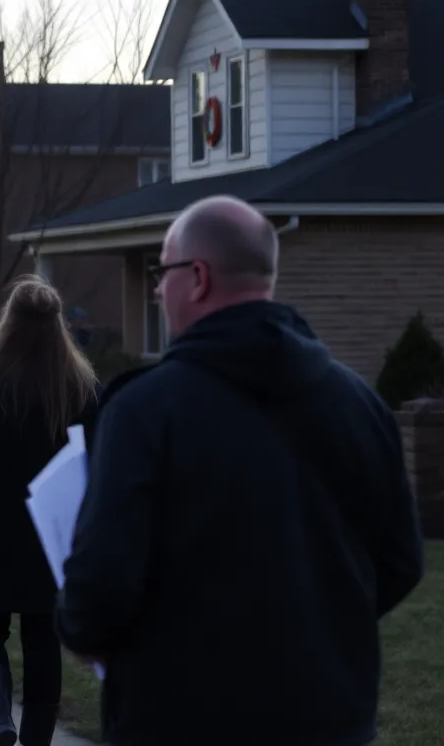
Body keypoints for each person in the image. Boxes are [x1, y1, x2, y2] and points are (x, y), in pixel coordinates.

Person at [56, 195, 425, 746]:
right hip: (330, 719)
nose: (157, 289)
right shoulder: (360, 404)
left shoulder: (147, 409)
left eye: (164, 271)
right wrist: (318, 626)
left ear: (198, 277)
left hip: (178, 719)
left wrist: (84, 628)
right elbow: (401, 560)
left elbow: (102, 584)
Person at [0, 276, 98, 746]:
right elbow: (97, 465)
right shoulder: (82, 393)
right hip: (51, 537)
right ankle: (36, 741)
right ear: (58, 327)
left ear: (7, 325)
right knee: (43, 641)